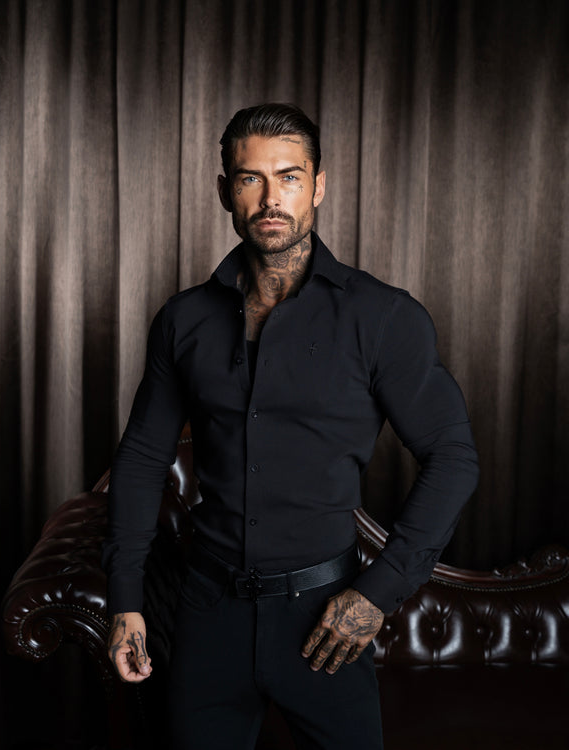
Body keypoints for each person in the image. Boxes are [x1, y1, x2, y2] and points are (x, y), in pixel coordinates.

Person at [102, 103, 479, 749]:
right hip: (207, 613)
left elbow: (453, 456)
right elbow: (141, 457)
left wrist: (377, 593)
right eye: (250, 178)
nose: (270, 198)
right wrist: (125, 599)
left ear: (318, 186)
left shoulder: (383, 318)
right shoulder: (184, 320)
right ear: (225, 190)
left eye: (290, 177)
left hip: (324, 619)